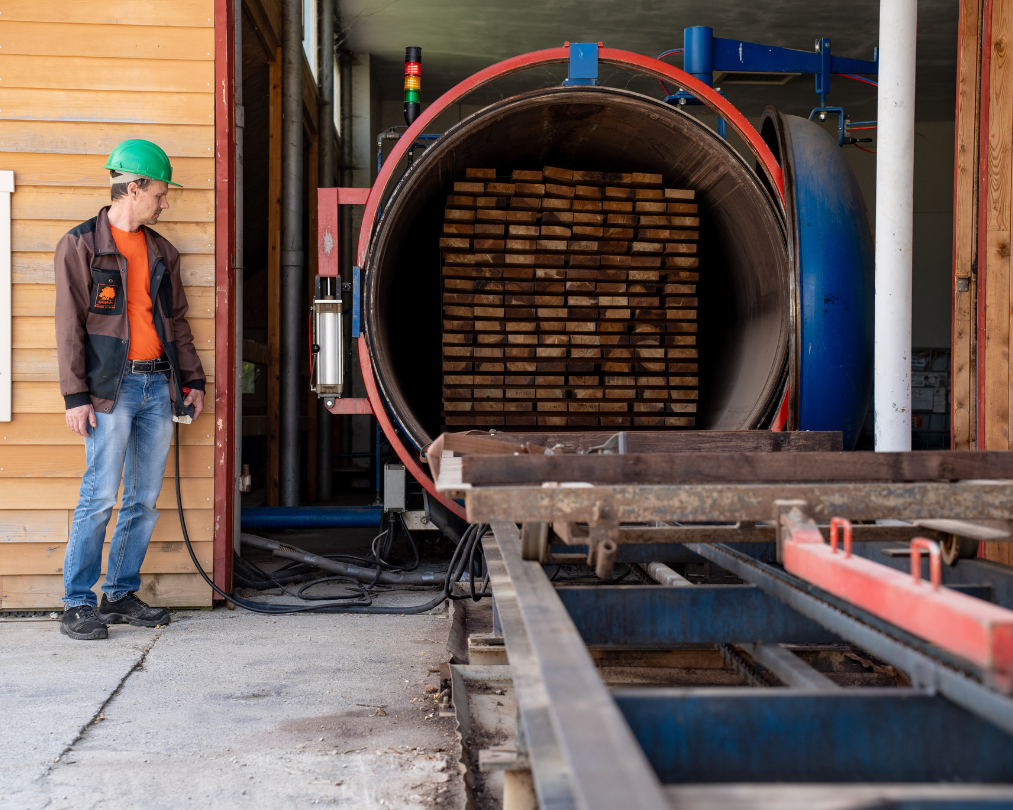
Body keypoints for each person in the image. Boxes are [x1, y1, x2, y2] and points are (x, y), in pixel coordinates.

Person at [55, 140, 206, 640]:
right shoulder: (80, 246)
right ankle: (76, 603)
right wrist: (76, 397)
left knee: (143, 499)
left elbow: (176, 322)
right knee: (99, 498)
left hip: (157, 387)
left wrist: (191, 379)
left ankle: (118, 594)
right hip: (108, 392)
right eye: (161, 193)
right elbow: (70, 326)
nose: (165, 203)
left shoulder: (162, 251)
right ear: (133, 188)